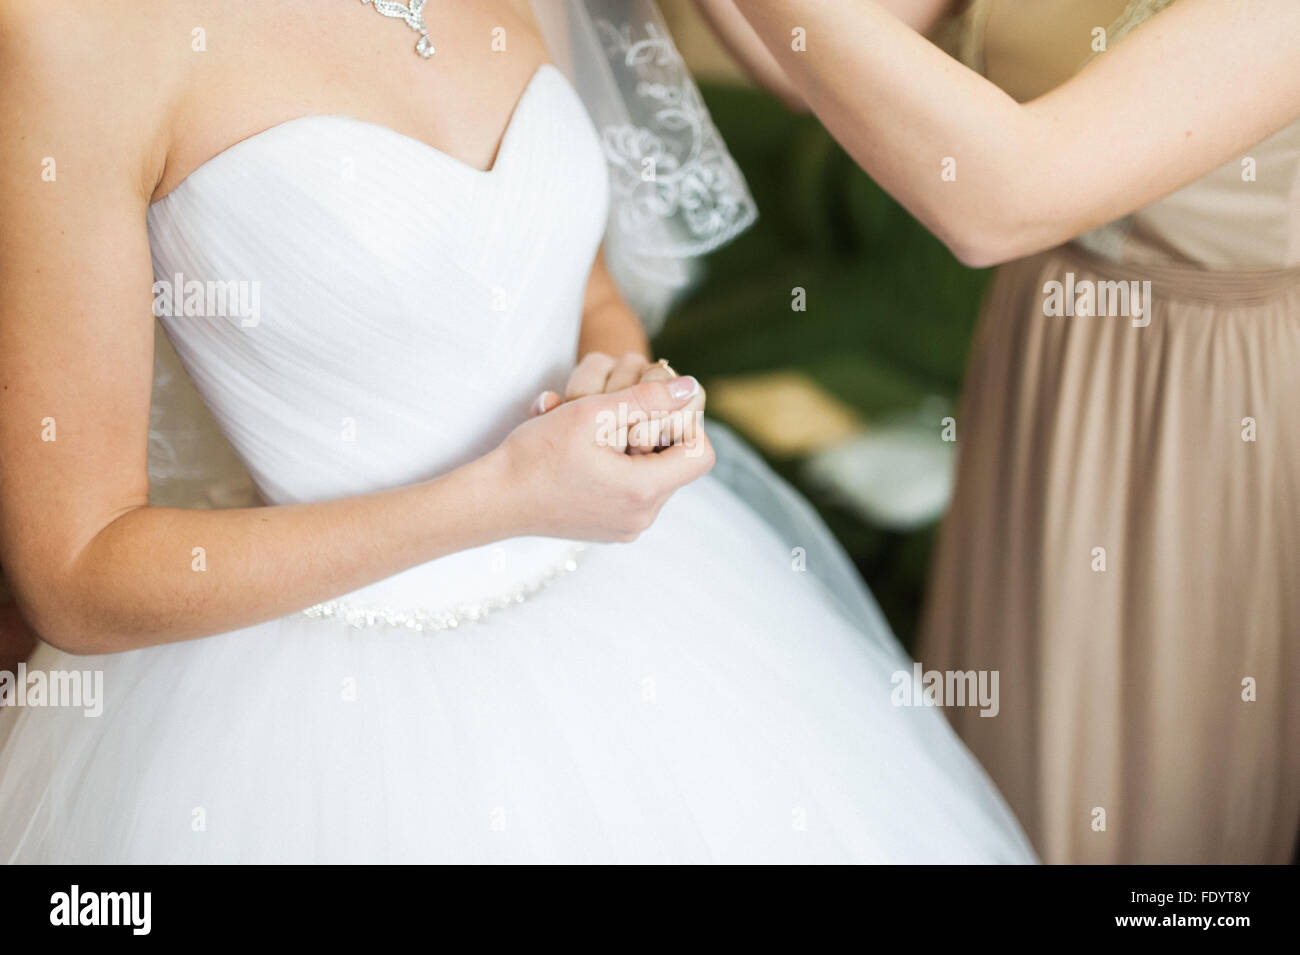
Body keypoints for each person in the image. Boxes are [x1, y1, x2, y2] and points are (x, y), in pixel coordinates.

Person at [0, 0, 1033, 863]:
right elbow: (74, 572)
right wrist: (504, 497)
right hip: (309, 709)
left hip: (659, 610)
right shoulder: (74, 31)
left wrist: (620, 378)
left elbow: (574, 281)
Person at [698, 0, 1300, 862]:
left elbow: (1002, 198)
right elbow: (795, 56)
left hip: (1204, 402)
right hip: (1043, 355)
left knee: (1150, 793)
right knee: (1005, 753)